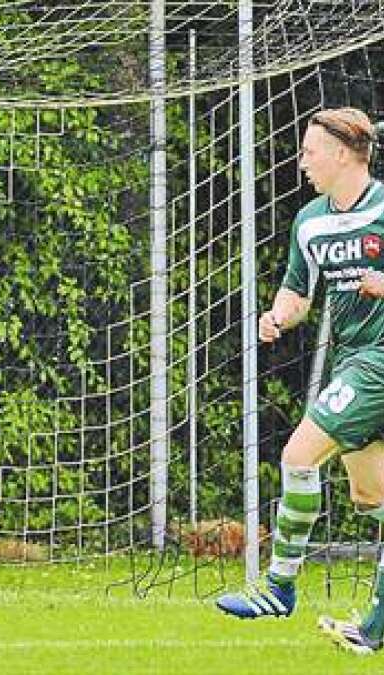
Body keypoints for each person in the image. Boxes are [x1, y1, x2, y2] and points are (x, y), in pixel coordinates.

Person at [214, 108, 384, 651]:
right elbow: (298, 292)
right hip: (351, 357)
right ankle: (374, 631)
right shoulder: (309, 220)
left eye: (310, 151)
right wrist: (277, 316)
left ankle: (280, 586)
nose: (302, 160)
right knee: (369, 494)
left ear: (342, 154)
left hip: (376, 361)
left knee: (298, 456)